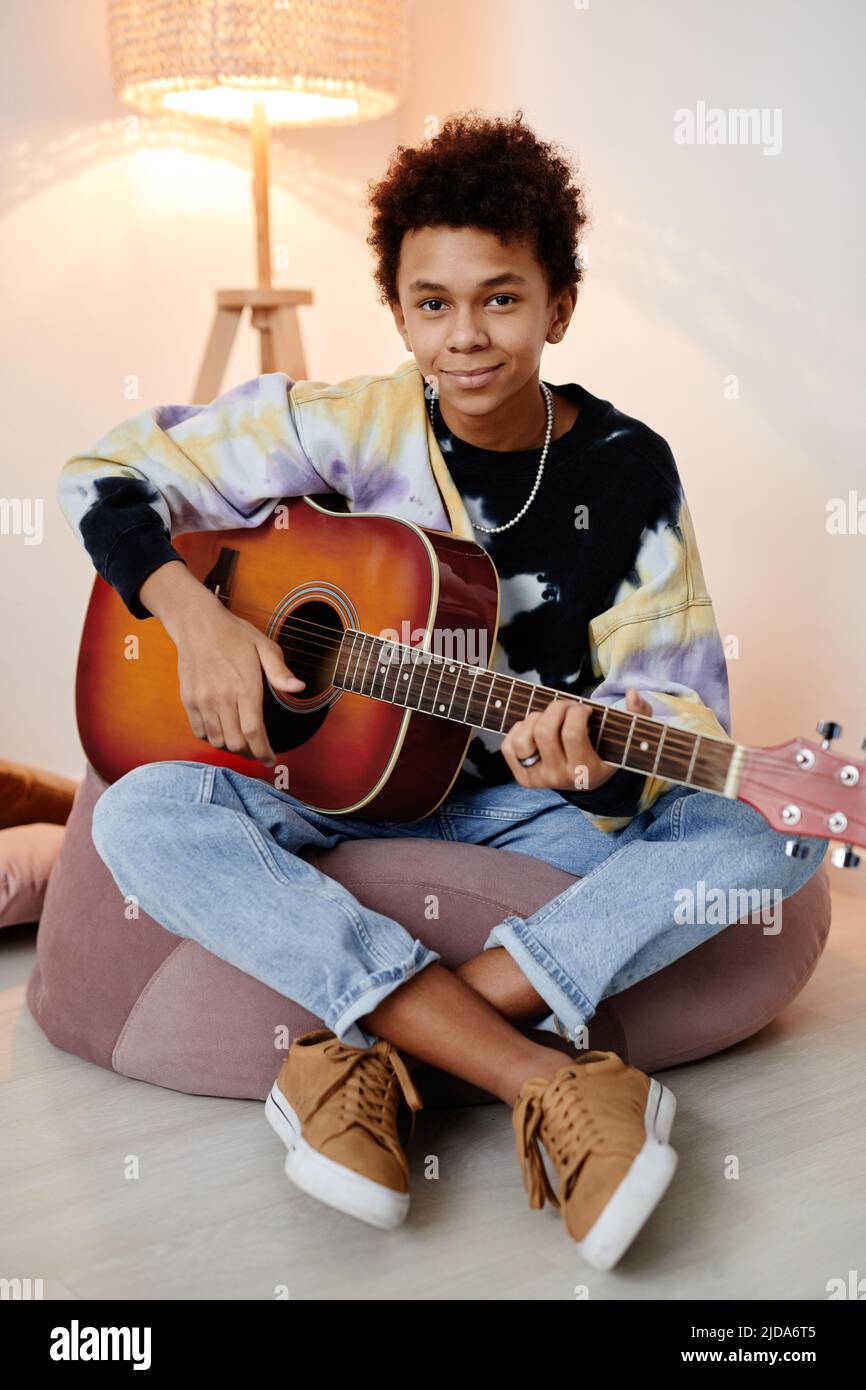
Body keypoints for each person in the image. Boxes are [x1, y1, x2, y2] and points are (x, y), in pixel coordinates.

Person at [56, 109, 827, 1271]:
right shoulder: (346, 423)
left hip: (531, 810)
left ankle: (374, 1051)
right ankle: (540, 1078)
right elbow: (105, 472)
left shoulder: (625, 470)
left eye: (500, 298)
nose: (464, 337)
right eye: (432, 302)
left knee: (772, 834)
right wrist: (197, 618)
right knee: (136, 813)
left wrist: (603, 752)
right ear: (400, 308)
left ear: (557, 305)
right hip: (324, 787)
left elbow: (675, 696)